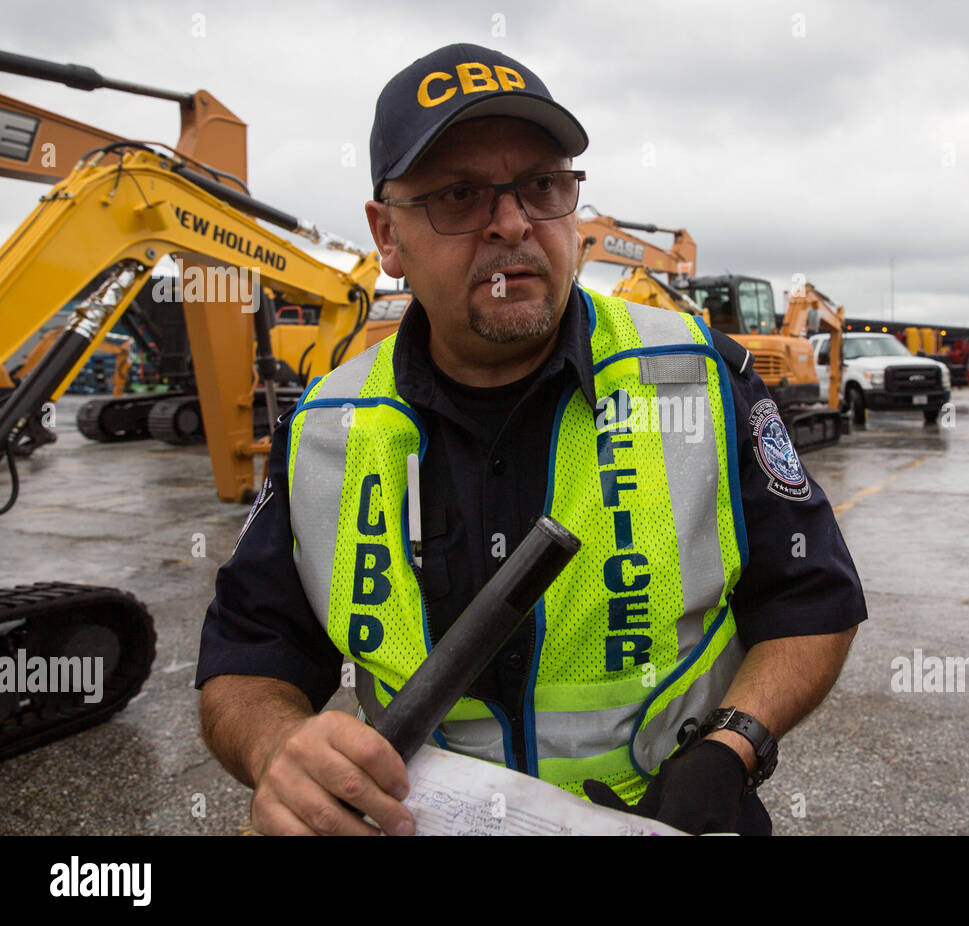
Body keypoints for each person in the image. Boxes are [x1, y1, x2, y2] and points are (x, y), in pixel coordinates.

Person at [195, 43, 868, 836]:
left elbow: (811, 600)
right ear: (386, 234)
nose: (511, 223)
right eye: (458, 195)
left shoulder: (698, 378)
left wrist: (734, 748)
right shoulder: (323, 429)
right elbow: (249, 655)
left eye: (542, 186)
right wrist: (279, 747)